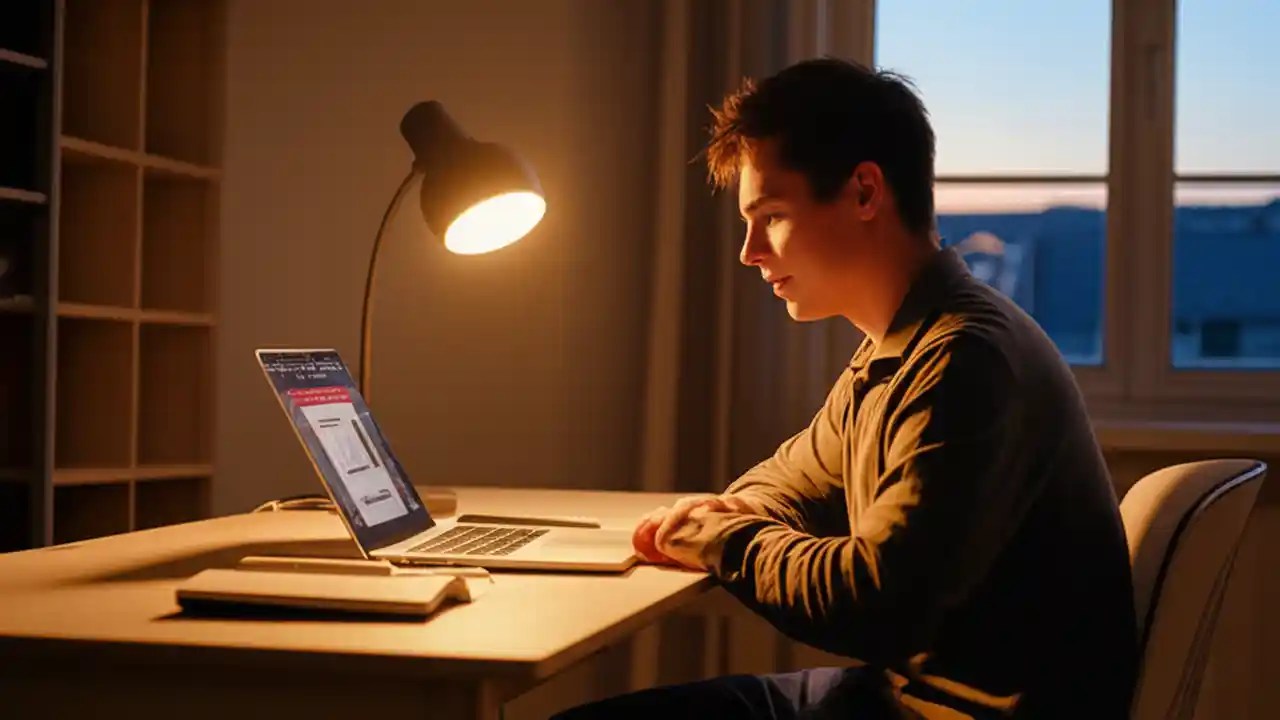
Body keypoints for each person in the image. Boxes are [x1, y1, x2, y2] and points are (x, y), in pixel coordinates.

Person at [553, 58, 1138, 719]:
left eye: (770, 214)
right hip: (902, 699)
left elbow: (875, 605)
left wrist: (723, 540)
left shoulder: (962, 359)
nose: (749, 251)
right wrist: (730, 512)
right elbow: (794, 478)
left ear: (865, 192)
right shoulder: (898, 349)